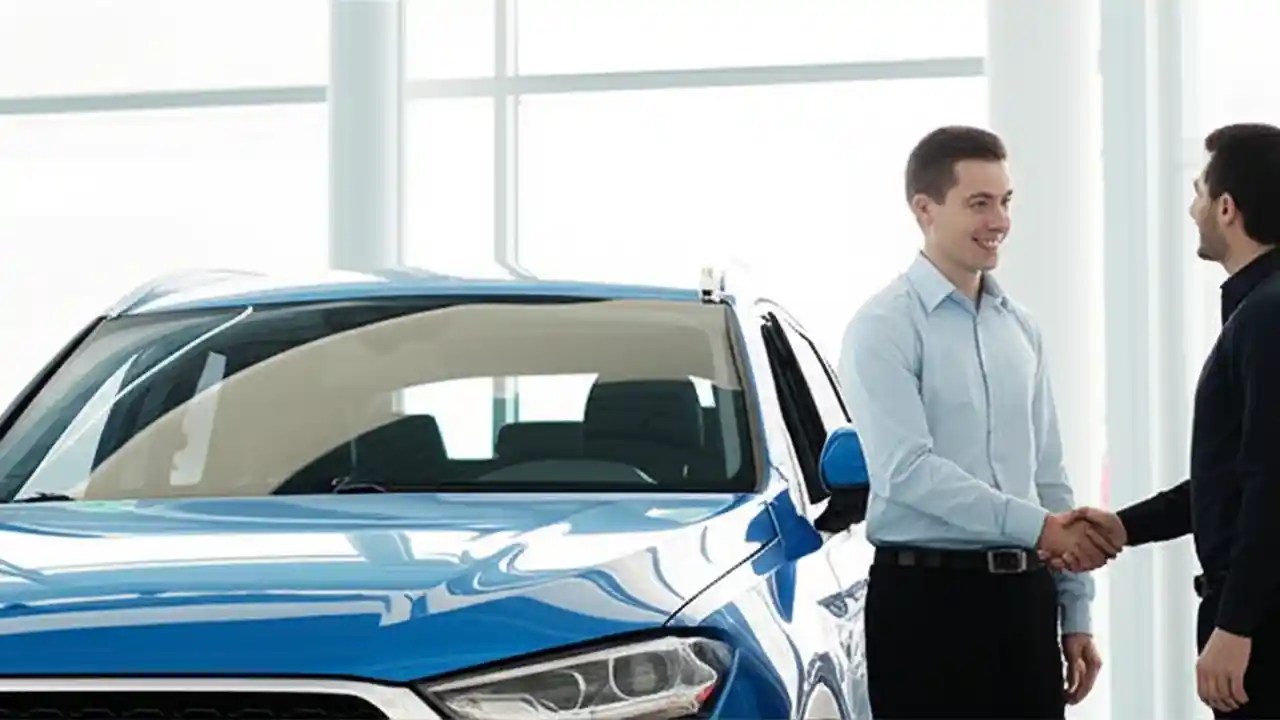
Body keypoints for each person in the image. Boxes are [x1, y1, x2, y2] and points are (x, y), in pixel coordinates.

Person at [837, 125, 1109, 719]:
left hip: (1025, 602)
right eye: (979, 203)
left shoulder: (1022, 329)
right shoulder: (882, 328)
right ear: (925, 210)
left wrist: (1076, 609)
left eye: (1005, 201)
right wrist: (1040, 528)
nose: (1000, 221)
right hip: (926, 605)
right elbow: (907, 472)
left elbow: (1050, 473)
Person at [1060, 122, 1280, 718]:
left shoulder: (1265, 318)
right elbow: (1230, 478)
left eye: (1199, 191)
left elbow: (1270, 487)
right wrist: (1122, 526)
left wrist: (1235, 626)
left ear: (1227, 208)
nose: (1193, 208)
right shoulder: (1256, 312)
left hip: (1263, 630)